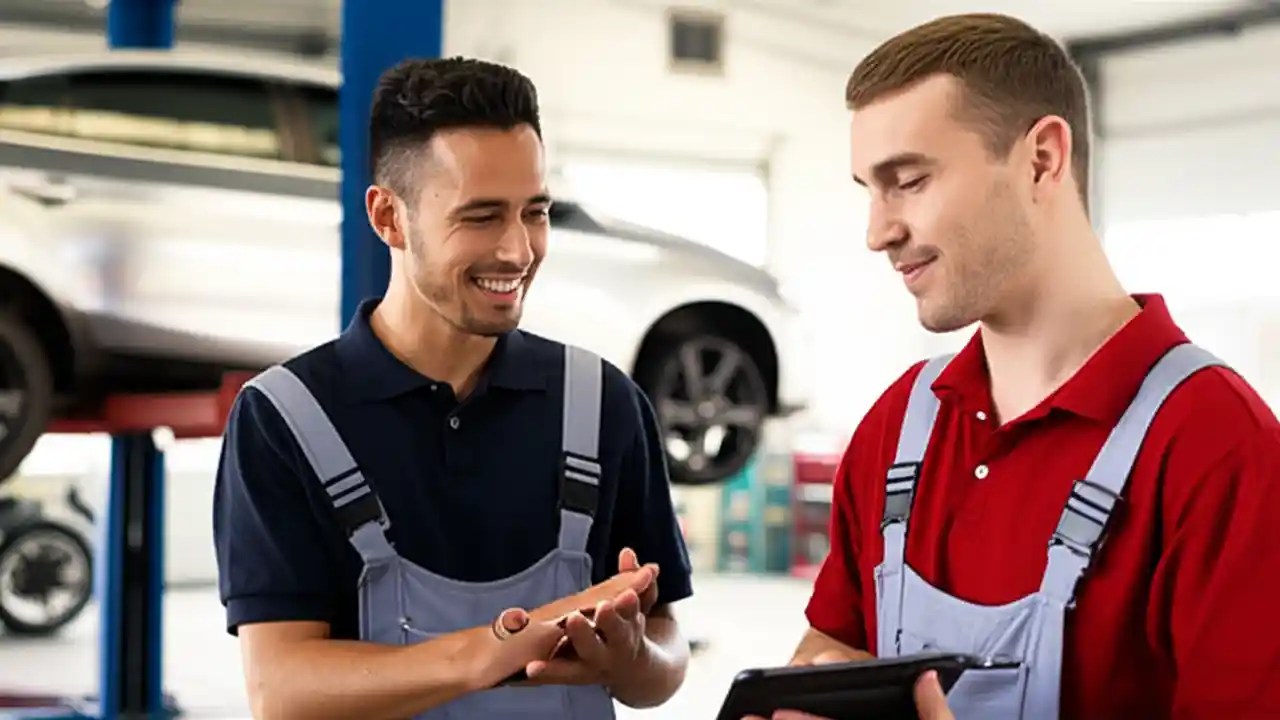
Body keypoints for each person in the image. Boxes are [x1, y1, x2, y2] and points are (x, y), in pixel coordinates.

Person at [752, 12, 1280, 720]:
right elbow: (831, 648)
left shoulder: (1218, 448)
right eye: (868, 191)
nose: (878, 231)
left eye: (907, 181)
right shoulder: (898, 426)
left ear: (1041, 160)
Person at [212, 56, 694, 720]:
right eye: (481, 217)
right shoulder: (284, 419)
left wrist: (631, 659)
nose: (518, 250)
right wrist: (491, 652)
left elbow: (667, 653)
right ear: (388, 218)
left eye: (535, 212)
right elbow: (283, 690)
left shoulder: (604, 404)